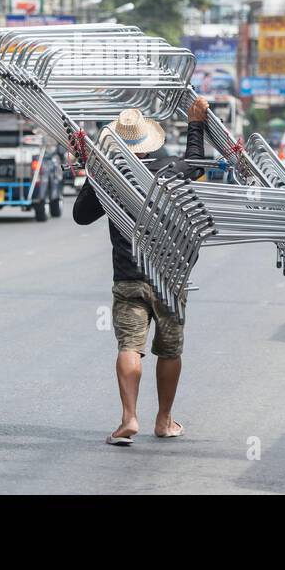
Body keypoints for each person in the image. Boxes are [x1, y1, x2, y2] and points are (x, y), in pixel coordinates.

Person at [73, 96, 208, 446]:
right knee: (170, 350)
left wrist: (95, 173)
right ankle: (164, 421)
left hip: (129, 275)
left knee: (130, 346)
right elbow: (195, 163)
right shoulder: (169, 168)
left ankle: (129, 418)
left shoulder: (109, 176)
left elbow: (81, 215)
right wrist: (196, 124)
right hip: (169, 276)